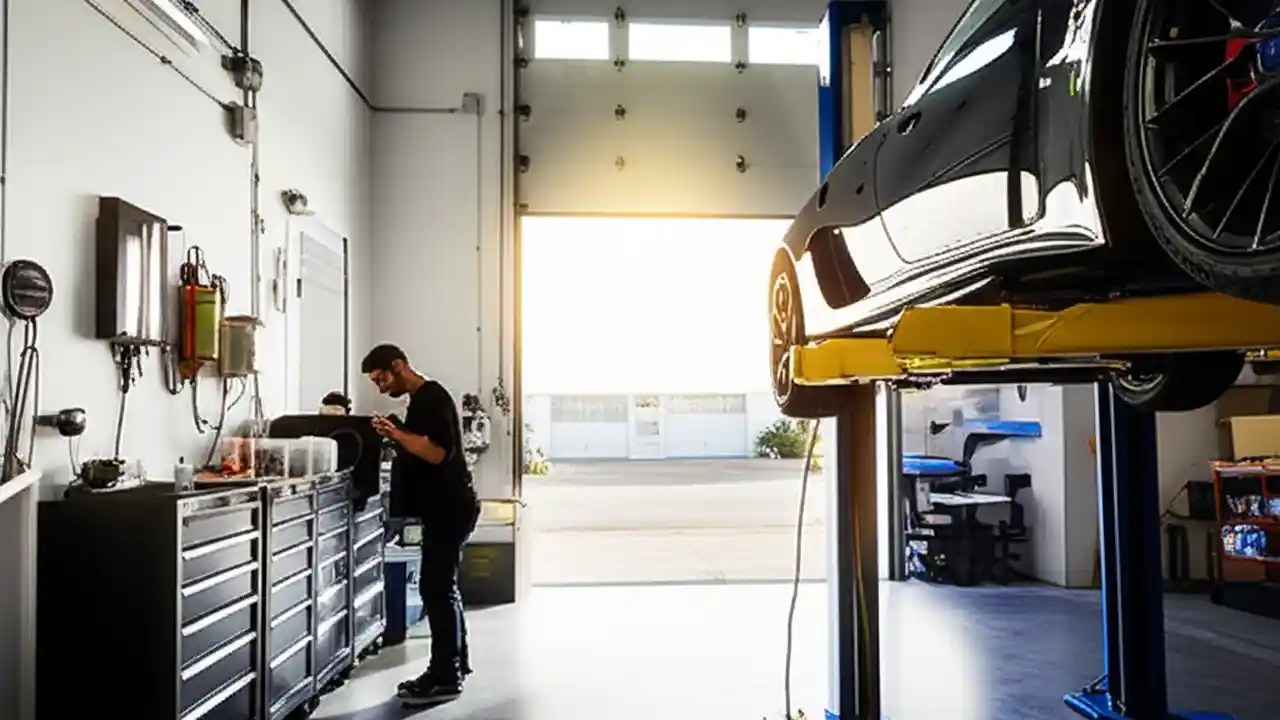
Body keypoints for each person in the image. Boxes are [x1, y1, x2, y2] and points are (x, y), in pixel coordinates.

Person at [363, 344, 480, 705]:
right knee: (443, 587)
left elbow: (437, 452)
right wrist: (395, 432)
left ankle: (445, 676)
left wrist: (396, 435)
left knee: (436, 588)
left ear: (398, 366)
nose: (380, 387)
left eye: (381, 378)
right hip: (443, 508)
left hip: (450, 508)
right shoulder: (420, 401)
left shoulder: (433, 397)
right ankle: (455, 665)